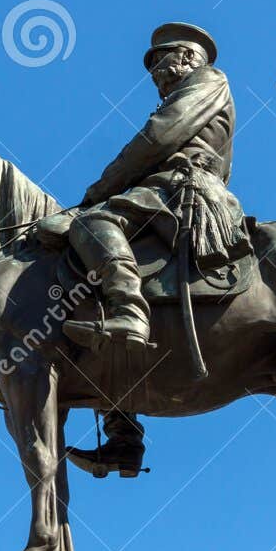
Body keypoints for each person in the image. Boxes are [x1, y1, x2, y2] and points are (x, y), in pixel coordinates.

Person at [47, 21, 249, 351]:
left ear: (186, 56)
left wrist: (98, 192)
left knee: (93, 223)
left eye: (159, 62)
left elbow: (156, 138)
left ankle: (129, 312)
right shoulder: (195, 89)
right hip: (171, 188)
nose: (154, 73)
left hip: (183, 189)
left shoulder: (209, 79)